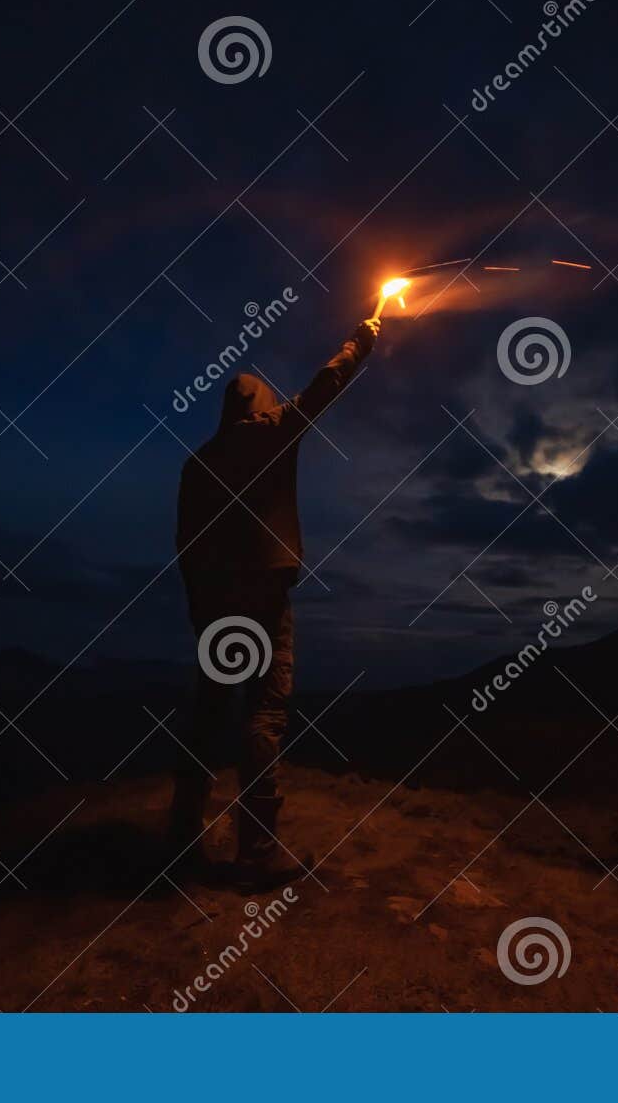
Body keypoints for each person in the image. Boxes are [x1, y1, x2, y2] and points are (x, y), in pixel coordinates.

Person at [169, 317, 379, 890]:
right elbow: (324, 388)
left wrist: (198, 612)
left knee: (209, 715)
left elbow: (185, 547)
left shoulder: (198, 464)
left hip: (214, 606)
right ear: (260, 401)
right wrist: (362, 339)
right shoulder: (275, 429)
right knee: (263, 713)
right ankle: (257, 852)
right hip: (264, 597)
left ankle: (180, 841)